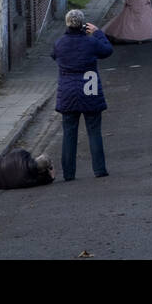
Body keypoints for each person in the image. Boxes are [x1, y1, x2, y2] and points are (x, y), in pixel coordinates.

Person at [52, 9, 111, 180]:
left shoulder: (59, 43)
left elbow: (53, 55)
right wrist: (98, 33)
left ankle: (69, 174)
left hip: (68, 91)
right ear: (83, 25)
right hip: (89, 87)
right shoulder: (91, 43)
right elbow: (107, 50)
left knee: (69, 133)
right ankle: (99, 169)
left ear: (67, 23)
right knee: (94, 130)